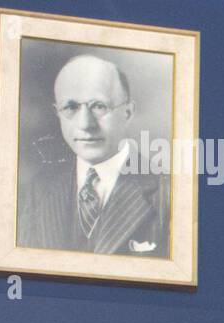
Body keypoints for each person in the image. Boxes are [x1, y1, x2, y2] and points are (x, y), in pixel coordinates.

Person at [18, 54, 169, 257]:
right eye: (70, 107)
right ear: (58, 113)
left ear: (128, 112)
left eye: (99, 106)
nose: (85, 124)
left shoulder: (169, 195)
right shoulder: (38, 189)